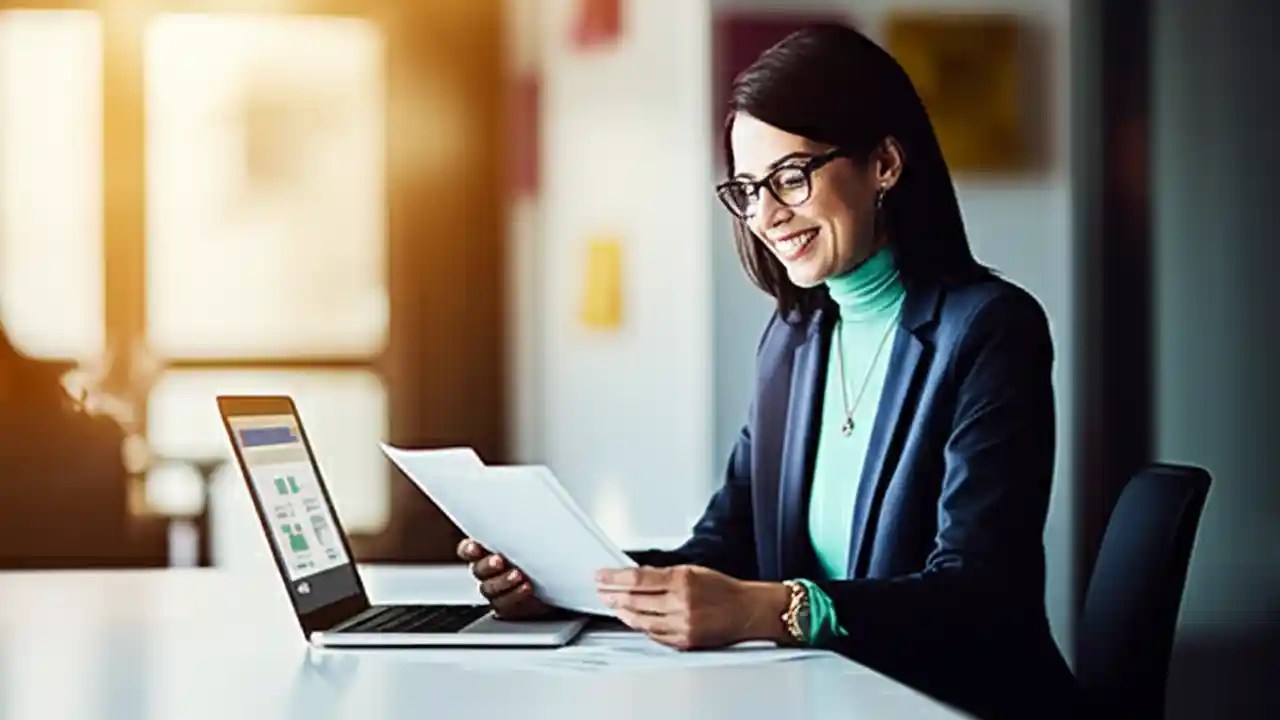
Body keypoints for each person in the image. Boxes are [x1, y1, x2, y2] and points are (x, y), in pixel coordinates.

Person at [457, 24, 1076, 719]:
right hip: (830, 697)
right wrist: (571, 585)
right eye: (748, 189)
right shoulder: (794, 337)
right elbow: (729, 544)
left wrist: (773, 609)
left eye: (790, 177)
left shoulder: (992, 329)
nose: (767, 215)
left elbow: (979, 594)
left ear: (885, 165)